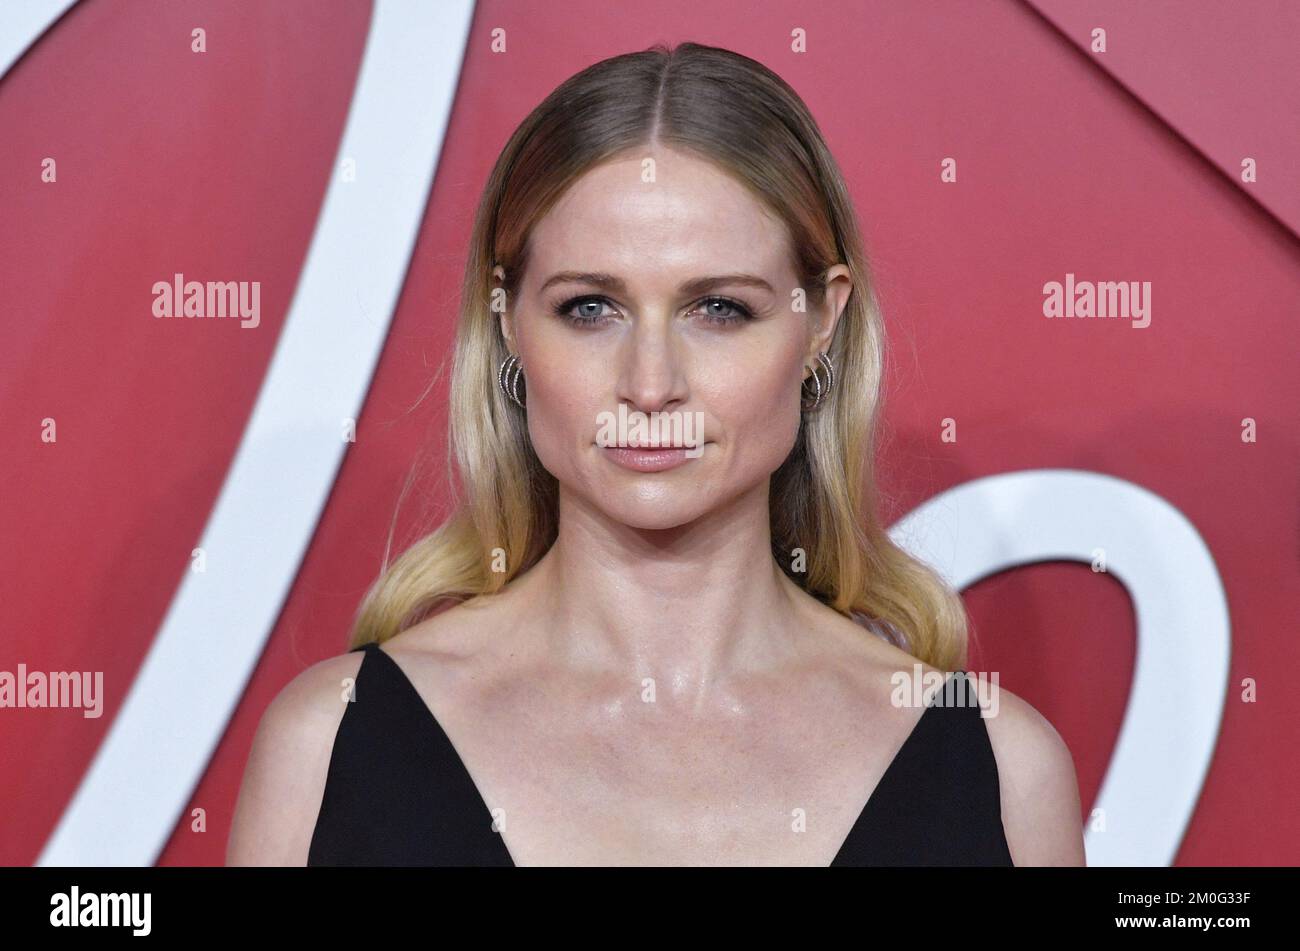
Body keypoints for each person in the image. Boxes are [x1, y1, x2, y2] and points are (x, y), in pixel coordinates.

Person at [227, 41, 1084, 867]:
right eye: (591, 308)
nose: (650, 384)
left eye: (718, 309)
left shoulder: (1004, 774)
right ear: (507, 320)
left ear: (822, 320)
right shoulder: (326, 747)